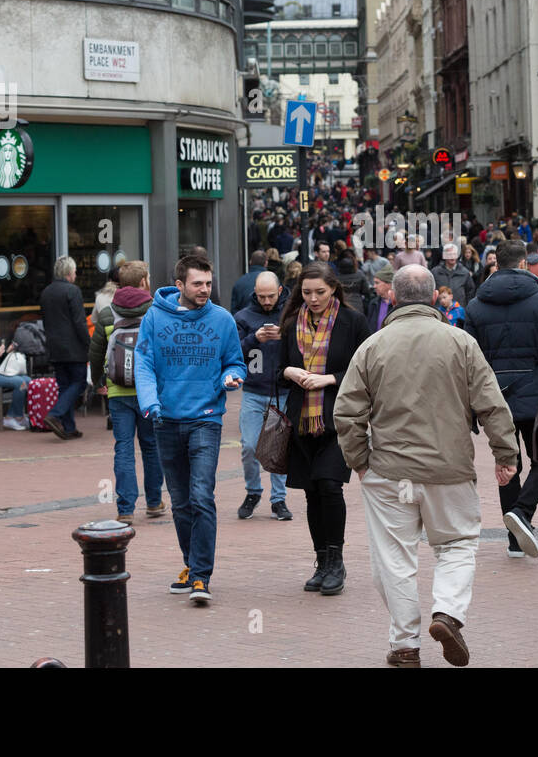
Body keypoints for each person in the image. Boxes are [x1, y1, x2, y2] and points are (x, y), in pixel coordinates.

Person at [335, 265, 517, 667]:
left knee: (394, 558)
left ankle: (404, 645)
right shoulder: (461, 343)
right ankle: (447, 612)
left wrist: (359, 461)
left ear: (393, 299)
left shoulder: (373, 346)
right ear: (435, 297)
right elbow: (491, 403)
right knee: (457, 544)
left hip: (388, 470)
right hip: (449, 468)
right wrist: (505, 455)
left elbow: (347, 412)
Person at [134, 253, 247, 604]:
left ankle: (201, 577)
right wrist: (150, 402)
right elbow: (144, 362)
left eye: (209, 283)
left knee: (201, 497)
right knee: (181, 503)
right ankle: (190, 565)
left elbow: (235, 360)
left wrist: (233, 376)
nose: (205, 290)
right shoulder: (154, 317)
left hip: (206, 418)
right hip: (165, 420)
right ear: (179, 284)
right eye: (197, 283)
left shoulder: (222, 319)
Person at [277, 262, 370, 597]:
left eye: (320, 292)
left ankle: (337, 561)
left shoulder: (352, 321)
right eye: (306, 292)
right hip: (301, 418)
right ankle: (321, 562)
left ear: (334, 289)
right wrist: (290, 372)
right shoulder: (290, 323)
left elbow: (367, 370)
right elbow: (275, 371)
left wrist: (329, 379)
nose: (313, 298)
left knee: (330, 486)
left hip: (339, 418)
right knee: (311, 492)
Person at [466, 240, 538, 558]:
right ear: (523, 264)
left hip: (495, 396)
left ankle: (513, 536)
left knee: (507, 464)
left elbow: (472, 358)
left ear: (497, 264)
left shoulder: (476, 306)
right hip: (537, 394)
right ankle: (523, 513)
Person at [90, 260, 165, 524]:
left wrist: (97, 380)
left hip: (118, 390)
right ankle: (154, 502)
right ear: (144, 281)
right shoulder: (156, 311)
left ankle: (125, 508)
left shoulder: (109, 313)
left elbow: (97, 350)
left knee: (123, 448)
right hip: (148, 390)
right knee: (151, 446)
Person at [233, 271, 292, 521]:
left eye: (270, 296)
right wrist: (253, 339)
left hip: (282, 390)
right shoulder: (243, 317)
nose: (266, 301)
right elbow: (233, 352)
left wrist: (286, 336)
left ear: (279, 291)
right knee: (248, 446)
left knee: (278, 449)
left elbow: (305, 347)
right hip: (254, 391)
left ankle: (279, 499)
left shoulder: (291, 314)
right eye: (261, 296)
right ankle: (253, 491)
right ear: (254, 294)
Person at [39, 256, 91, 440]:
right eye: (75, 271)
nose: (76, 275)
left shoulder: (46, 292)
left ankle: (69, 427)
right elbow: (79, 322)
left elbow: (45, 321)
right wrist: (88, 344)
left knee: (64, 386)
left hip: (54, 346)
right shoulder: (72, 291)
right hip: (74, 347)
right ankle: (56, 413)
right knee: (79, 383)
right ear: (69, 273)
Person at [431, 243, 476, 308]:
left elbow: (470, 292)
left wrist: (466, 307)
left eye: (454, 254)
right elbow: (431, 292)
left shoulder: (465, 272)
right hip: (440, 311)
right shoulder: (435, 272)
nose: (452, 256)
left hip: (459, 312)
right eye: (449, 254)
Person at [231, 250, 268, 314]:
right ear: (266, 263)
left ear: (250, 262)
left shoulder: (239, 282)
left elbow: (234, 310)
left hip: (244, 322)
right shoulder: (273, 282)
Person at [365, 265, 395, 332]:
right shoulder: (373, 303)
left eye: (377, 283)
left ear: (388, 284)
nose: (374, 286)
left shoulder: (397, 304)